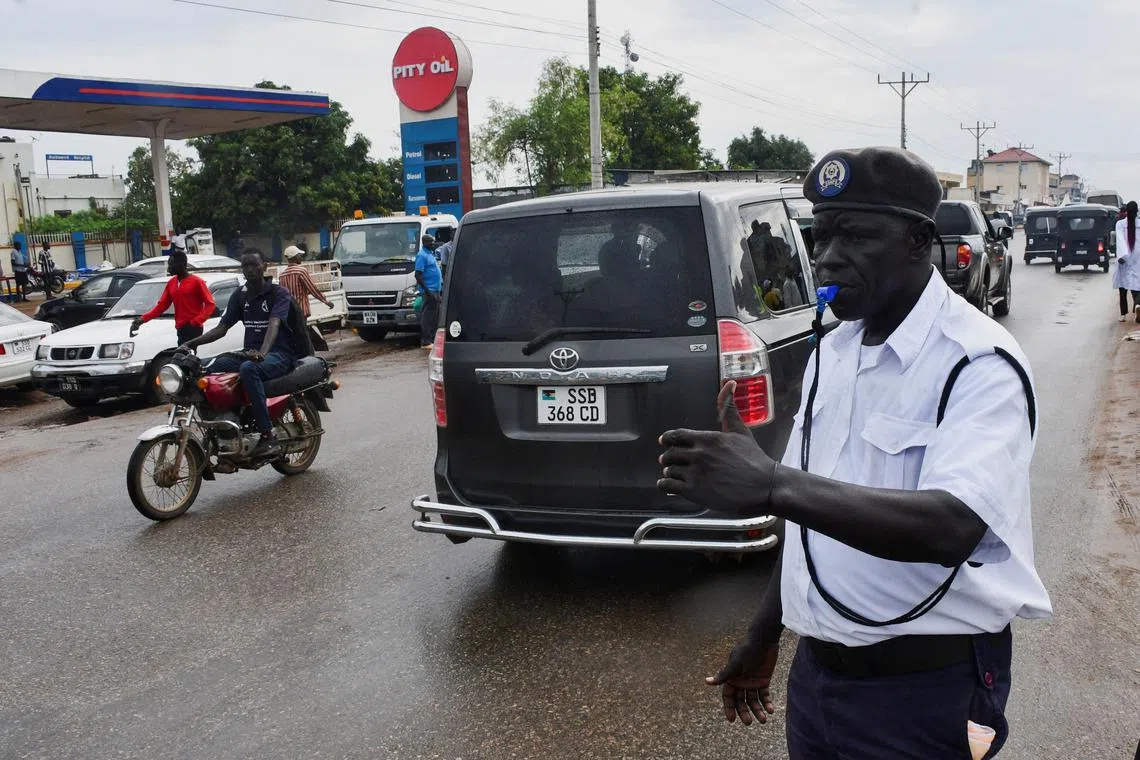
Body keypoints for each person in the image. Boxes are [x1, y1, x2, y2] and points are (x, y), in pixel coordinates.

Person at [658, 147, 1051, 759]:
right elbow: (810, 510)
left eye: (856, 237)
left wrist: (771, 482)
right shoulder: (833, 351)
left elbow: (952, 526)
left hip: (926, 694)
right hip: (818, 681)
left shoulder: (977, 363)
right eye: (822, 236)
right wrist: (766, 634)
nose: (827, 257)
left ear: (919, 242)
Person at [180, 249, 298, 458]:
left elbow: (274, 324)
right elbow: (221, 328)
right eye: (245, 266)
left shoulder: (278, 294)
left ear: (265, 267)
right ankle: (224, 424)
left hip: (280, 354)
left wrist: (263, 352)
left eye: (254, 265)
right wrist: (189, 344)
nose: (250, 270)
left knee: (248, 369)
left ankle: (267, 435)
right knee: (203, 365)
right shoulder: (241, 295)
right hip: (249, 353)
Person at [130, 248, 216, 346]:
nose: (168, 268)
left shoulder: (197, 282)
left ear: (182, 265)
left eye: (171, 264)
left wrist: (196, 321)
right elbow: (162, 306)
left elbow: (210, 304)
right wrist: (142, 320)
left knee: (185, 355)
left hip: (193, 328)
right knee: (183, 355)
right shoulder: (171, 283)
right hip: (180, 327)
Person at [278, 245, 333, 351]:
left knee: (294, 334)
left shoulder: (282, 275)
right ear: (294, 257)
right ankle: (308, 354)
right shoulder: (301, 271)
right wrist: (326, 301)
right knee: (302, 333)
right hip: (301, 310)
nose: (301, 257)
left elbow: (281, 294)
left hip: (288, 311)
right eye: (299, 255)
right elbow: (313, 289)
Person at [1113, 201, 1140, 323]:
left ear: (1126, 212)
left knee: (1123, 288)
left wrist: (1122, 255)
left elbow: (1119, 239)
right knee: (1137, 286)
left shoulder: (1120, 224)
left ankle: (1123, 314)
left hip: (1124, 259)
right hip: (1137, 259)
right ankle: (1138, 306)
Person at [415, 234, 443, 349]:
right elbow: (418, 275)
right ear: (424, 243)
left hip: (436, 290)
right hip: (429, 291)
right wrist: (427, 291)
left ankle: (432, 339)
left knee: (434, 316)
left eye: (433, 242)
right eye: (430, 242)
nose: (433, 244)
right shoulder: (421, 255)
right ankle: (426, 341)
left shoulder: (431, 253)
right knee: (427, 316)